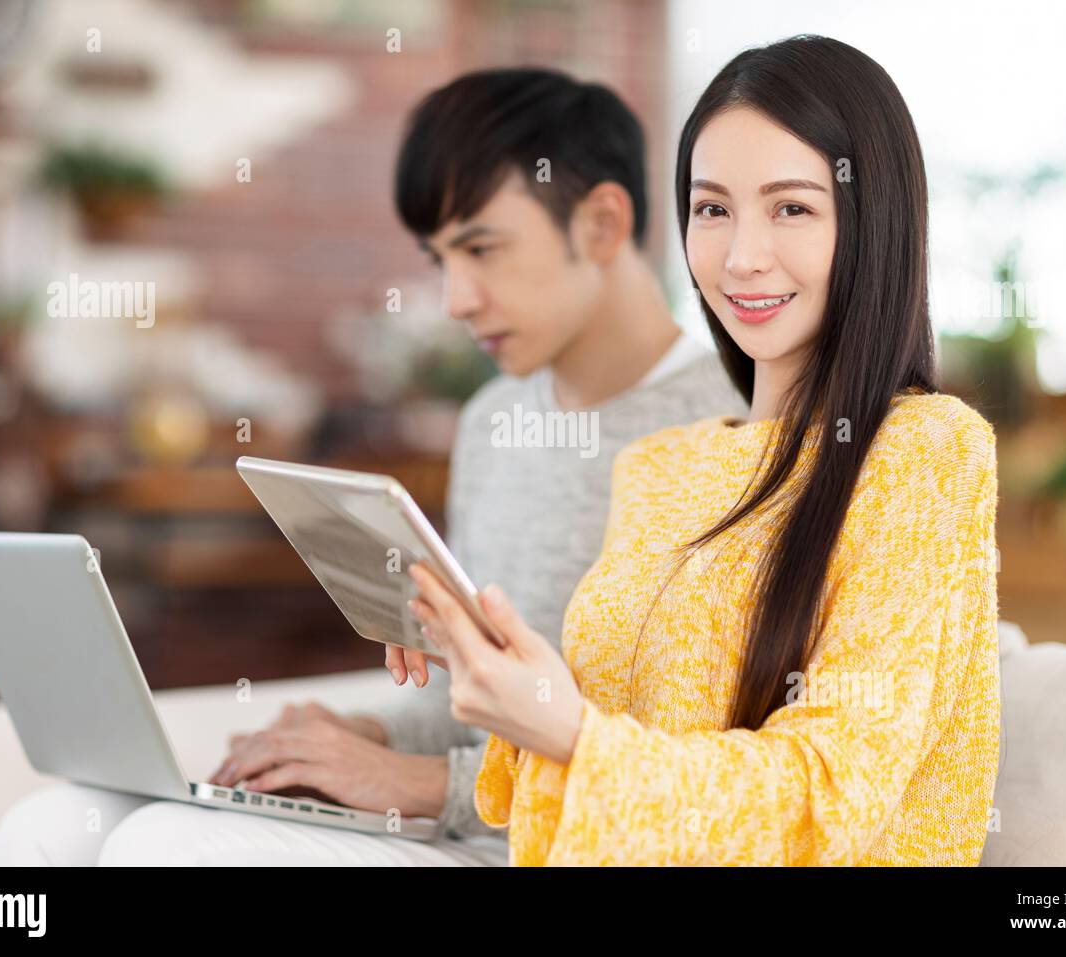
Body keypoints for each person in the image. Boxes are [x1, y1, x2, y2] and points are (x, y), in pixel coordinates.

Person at [0, 67, 744, 866]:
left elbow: (685, 759)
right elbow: (479, 702)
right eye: (439, 257)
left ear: (601, 222)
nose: (455, 299)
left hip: (563, 842)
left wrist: (410, 780)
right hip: (466, 813)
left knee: (162, 847)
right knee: (48, 826)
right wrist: (360, 736)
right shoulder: (494, 423)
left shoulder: (731, 421)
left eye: (482, 247)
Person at [404, 35, 1002, 866]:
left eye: (791, 207)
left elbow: (834, 791)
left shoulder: (928, 450)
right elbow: (619, 756)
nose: (740, 256)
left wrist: (567, 730)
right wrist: (483, 658)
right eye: (712, 208)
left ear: (874, 222)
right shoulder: (658, 466)